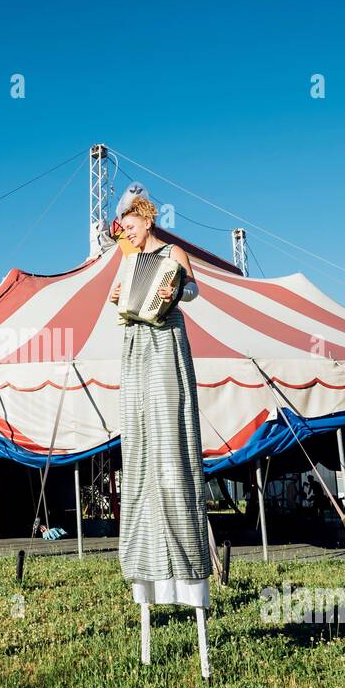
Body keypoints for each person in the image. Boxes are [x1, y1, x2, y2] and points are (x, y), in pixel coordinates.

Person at [108, 190, 212, 612]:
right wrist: (119, 297)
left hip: (166, 336)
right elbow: (119, 296)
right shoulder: (128, 259)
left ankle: (185, 564)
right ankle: (145, 563)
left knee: (171, 432)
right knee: (140, 438)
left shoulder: (174, 252)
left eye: (129, 222)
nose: (125, 230)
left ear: (146, 218)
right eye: (121, 225)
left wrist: (175, 288)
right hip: (137, 340)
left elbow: (194, 292)